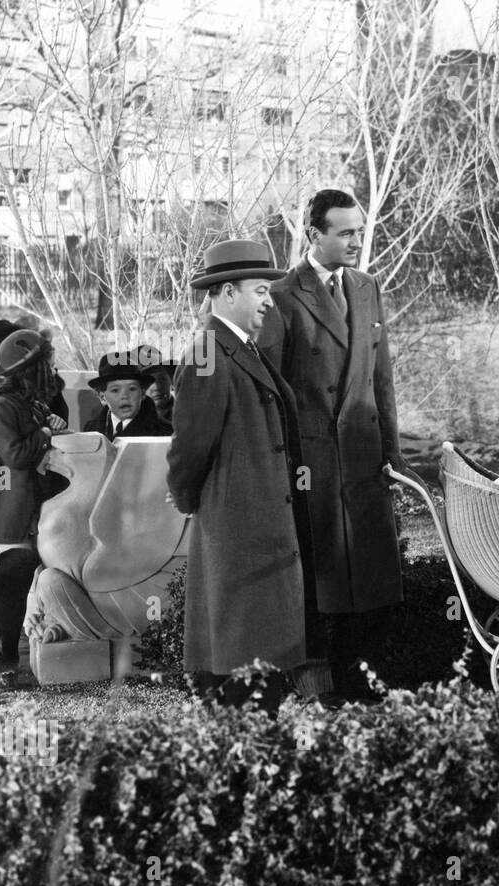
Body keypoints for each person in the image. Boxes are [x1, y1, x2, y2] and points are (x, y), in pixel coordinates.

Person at [259, 188, 407, 699]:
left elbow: (380, 379)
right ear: (314, 235)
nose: (354, 242)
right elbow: (271, 393)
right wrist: (279, 467)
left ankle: (362, 681)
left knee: (371, 581)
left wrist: (392, 454)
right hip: (311, 464)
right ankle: (320, 684)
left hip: (364, 461)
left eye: (358, 231)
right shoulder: (281, 295)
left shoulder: (366, 287)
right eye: (344, 233)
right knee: (322, 581)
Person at [166, 239, 315, 711]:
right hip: (239, 532)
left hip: (255, 531)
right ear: (227, 292)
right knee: (242, 665)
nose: (270, 299)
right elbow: (190, 447)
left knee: (255, 661)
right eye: (260, 290)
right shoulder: (211, 352)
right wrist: (194, 500)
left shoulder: (237, 347)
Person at [0, 330, 68, 688]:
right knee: (13, 583)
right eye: (45, 365)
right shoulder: (2, 406)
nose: (51, 371)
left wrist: (52, 425)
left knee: (8, 583)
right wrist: (47, 433)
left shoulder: (26, 403)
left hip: (20, 505)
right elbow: (17, 455)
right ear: (28, 369)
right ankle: (5, 658)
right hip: (5, 508)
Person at [82, 351, 174, 439]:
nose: (125, 396)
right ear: (102, 397)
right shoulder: (91, 430)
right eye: (115, 390)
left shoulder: (165, 432)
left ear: (142, 393)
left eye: (132, 389)